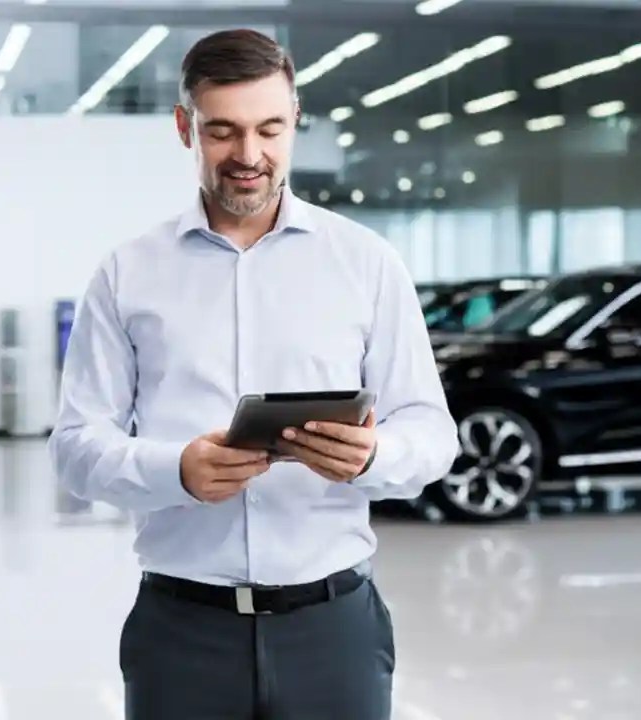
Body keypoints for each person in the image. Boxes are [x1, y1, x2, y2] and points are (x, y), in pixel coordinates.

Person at [48, 28, 459, 720]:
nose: (249, 155)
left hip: (334, 628)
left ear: (296, 120)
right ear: (185, 127)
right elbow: (75, 447)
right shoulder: (128, 274)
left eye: (270, 128)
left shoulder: (366, 264)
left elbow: (432, 433)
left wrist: (373, 455)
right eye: (223, 131)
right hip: (181, 631)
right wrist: (174, 470)